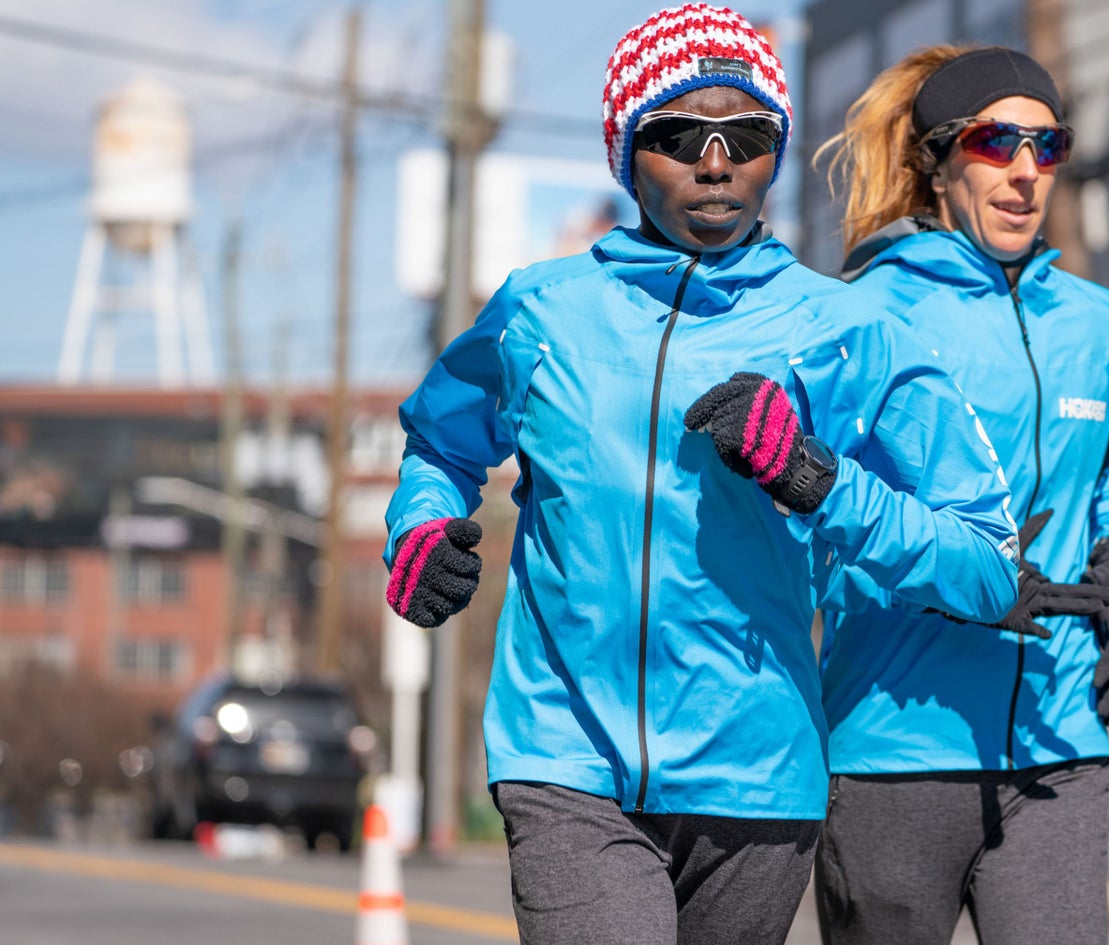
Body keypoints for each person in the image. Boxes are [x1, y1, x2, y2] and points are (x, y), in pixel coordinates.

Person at [383, 9, 1021, 944]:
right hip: (567, 763)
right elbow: (440, 445)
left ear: (776, 150)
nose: (715, 162)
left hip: (757, 783)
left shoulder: (844, 331)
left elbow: (988, 566)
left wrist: (819, 481)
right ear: (625, 151)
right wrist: (418, 528)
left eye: (748, 136)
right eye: (680, 135)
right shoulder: (542, 312)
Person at [812, 45, 1109, 944]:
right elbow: (819, 506)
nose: (1025, 171)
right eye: (997, 142)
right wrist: (964, 580)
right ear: (939, 160)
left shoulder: (1096, 323)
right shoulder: (864, 314)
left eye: (1048, 146)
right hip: (896, 747)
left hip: (1058, 740)